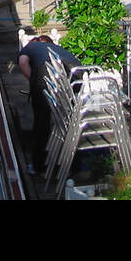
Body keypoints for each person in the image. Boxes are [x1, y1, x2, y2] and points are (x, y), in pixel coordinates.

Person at [17, 35, 80, 175]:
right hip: (76, 72)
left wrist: (33, 80)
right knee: (72, 119)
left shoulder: (30, 47)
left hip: (47, 71)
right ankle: (74, 163)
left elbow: (22, 63)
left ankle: (38, 165)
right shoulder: (58, 48)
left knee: (42, 120)